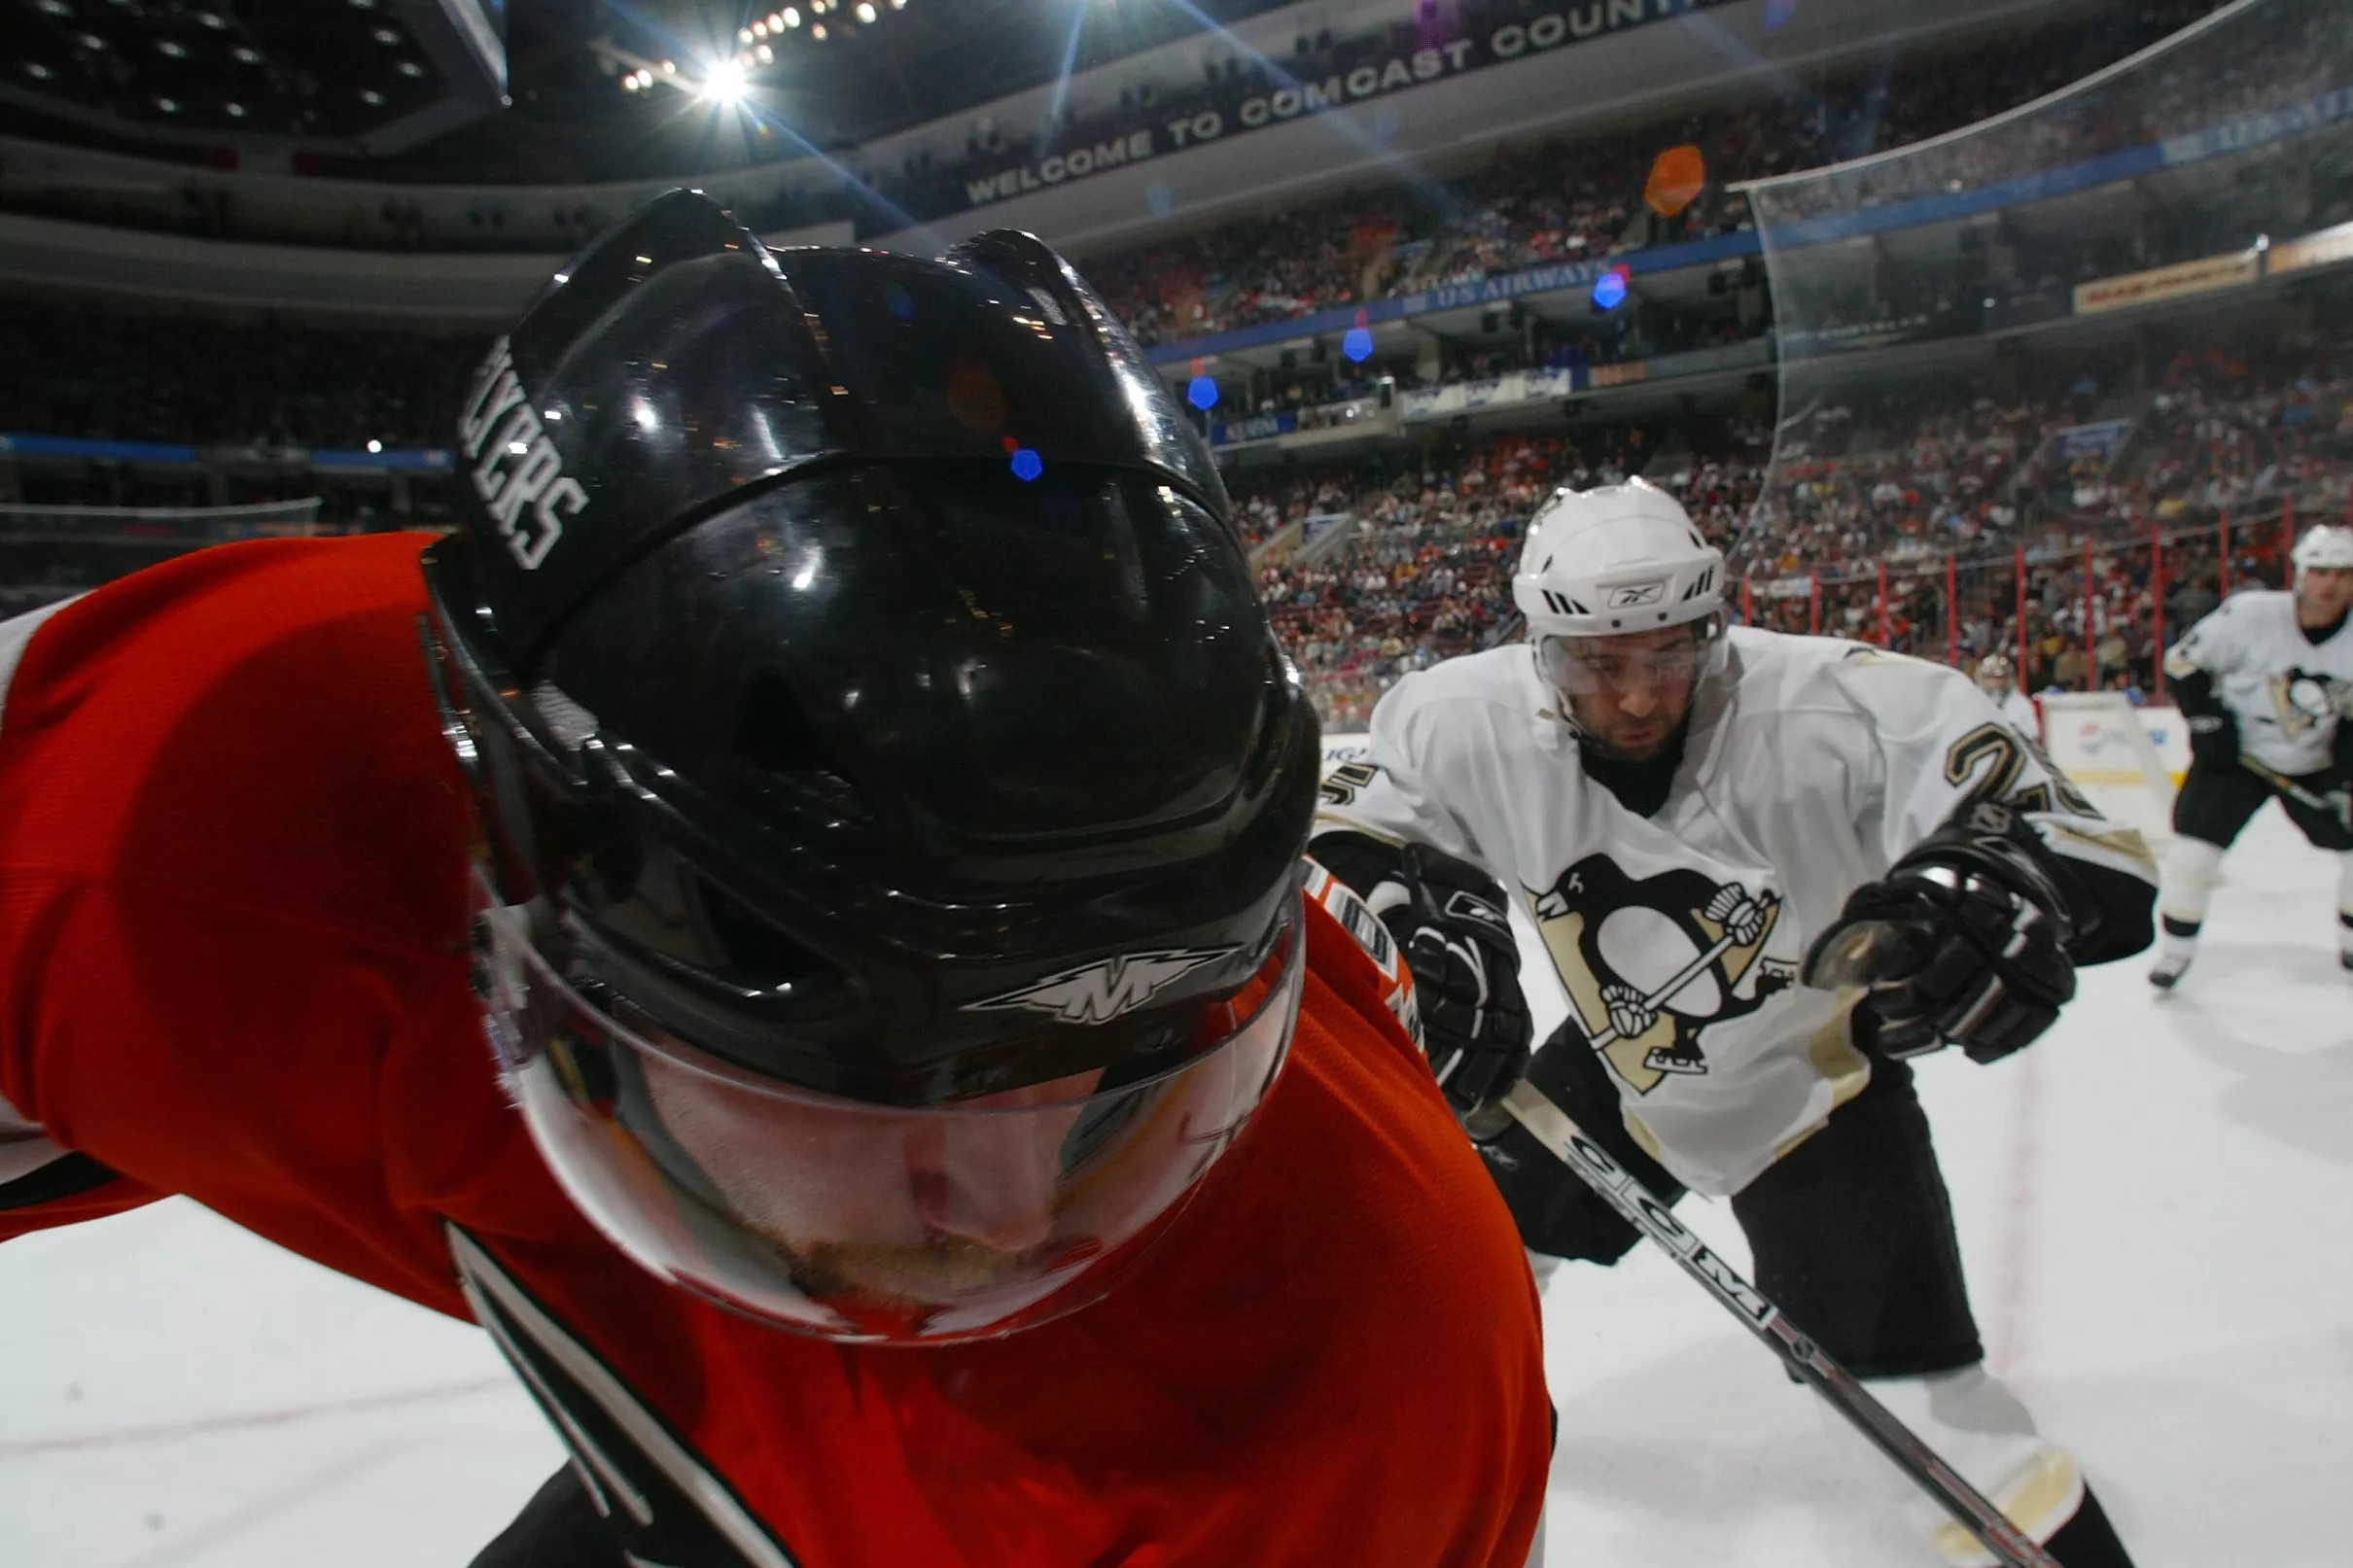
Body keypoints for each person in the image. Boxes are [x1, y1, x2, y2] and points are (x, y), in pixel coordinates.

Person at [0, 193, 1552, 1568]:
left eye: (1110, 1072)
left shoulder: (1361, 1406)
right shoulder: (168, 836)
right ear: (537, 899)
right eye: (879, 1086)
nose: (1016, 1220)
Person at [1312, 477, 2157, 1567]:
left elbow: (2097, 856)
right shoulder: (1456, 716)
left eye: (1666, 654)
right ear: (1538, 643)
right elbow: (1341, 834)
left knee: (1932, 1432)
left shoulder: (1843, 706)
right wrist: (1395, 911)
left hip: (1811, 1093)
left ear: (1713, 621)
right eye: (1596, 664)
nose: (1632, 698)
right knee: (1451, 1300)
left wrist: (2009, 882)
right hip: (1617, 1073)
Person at [2148, 523, 2353, 989]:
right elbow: (2182, 663)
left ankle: (2350, 943)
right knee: (2192, 857)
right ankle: (2175, 953)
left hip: (2316, 759)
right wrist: (2207, 721)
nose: (2331, 583)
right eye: (2321, 571)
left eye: (2343, 573)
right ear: (2300, 573)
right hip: (2238, 755)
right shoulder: (2251, 615)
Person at [1974, 651, 2041, 738]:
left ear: (2008, 678)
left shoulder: (2021, 703)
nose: (1995, 682)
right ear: (1981, 678)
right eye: (1990, 677)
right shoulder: (1973, 701)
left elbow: (2032, 733)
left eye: (2000, 677)